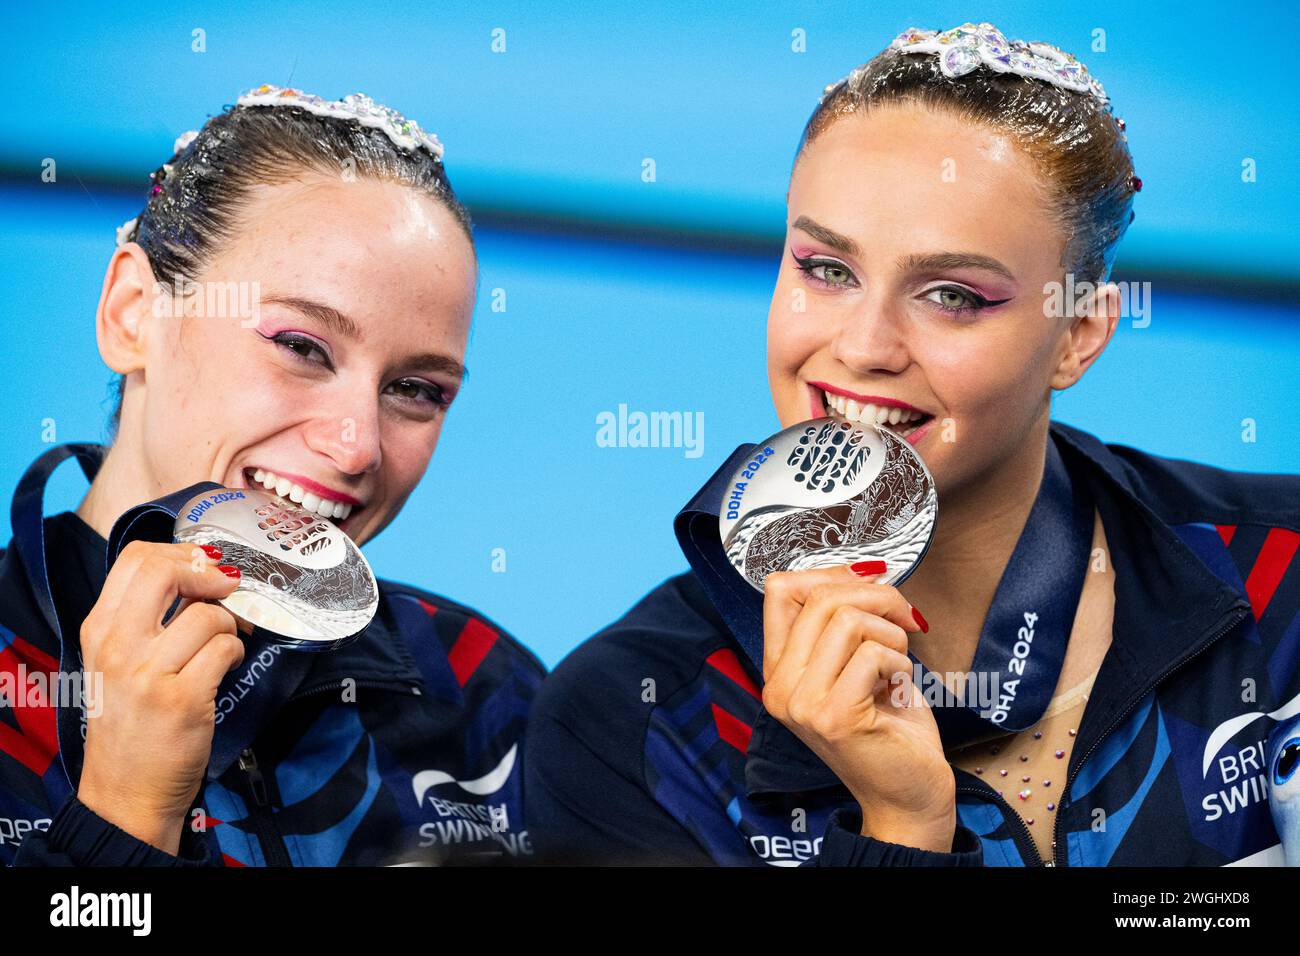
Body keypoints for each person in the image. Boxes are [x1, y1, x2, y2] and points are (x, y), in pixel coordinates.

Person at [524, 22, 1300, 866]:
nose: (863, 348)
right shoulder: (638, 727)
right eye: (827, 269)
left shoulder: (1282, 582)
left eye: (953, 295)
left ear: (1079, 333)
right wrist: (901, 827)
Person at [0, 85, 544, 866]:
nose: (356, 446)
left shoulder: (485, 690)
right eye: (302, 346)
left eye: (416, 390)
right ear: (132, 313)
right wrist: (122, 819)